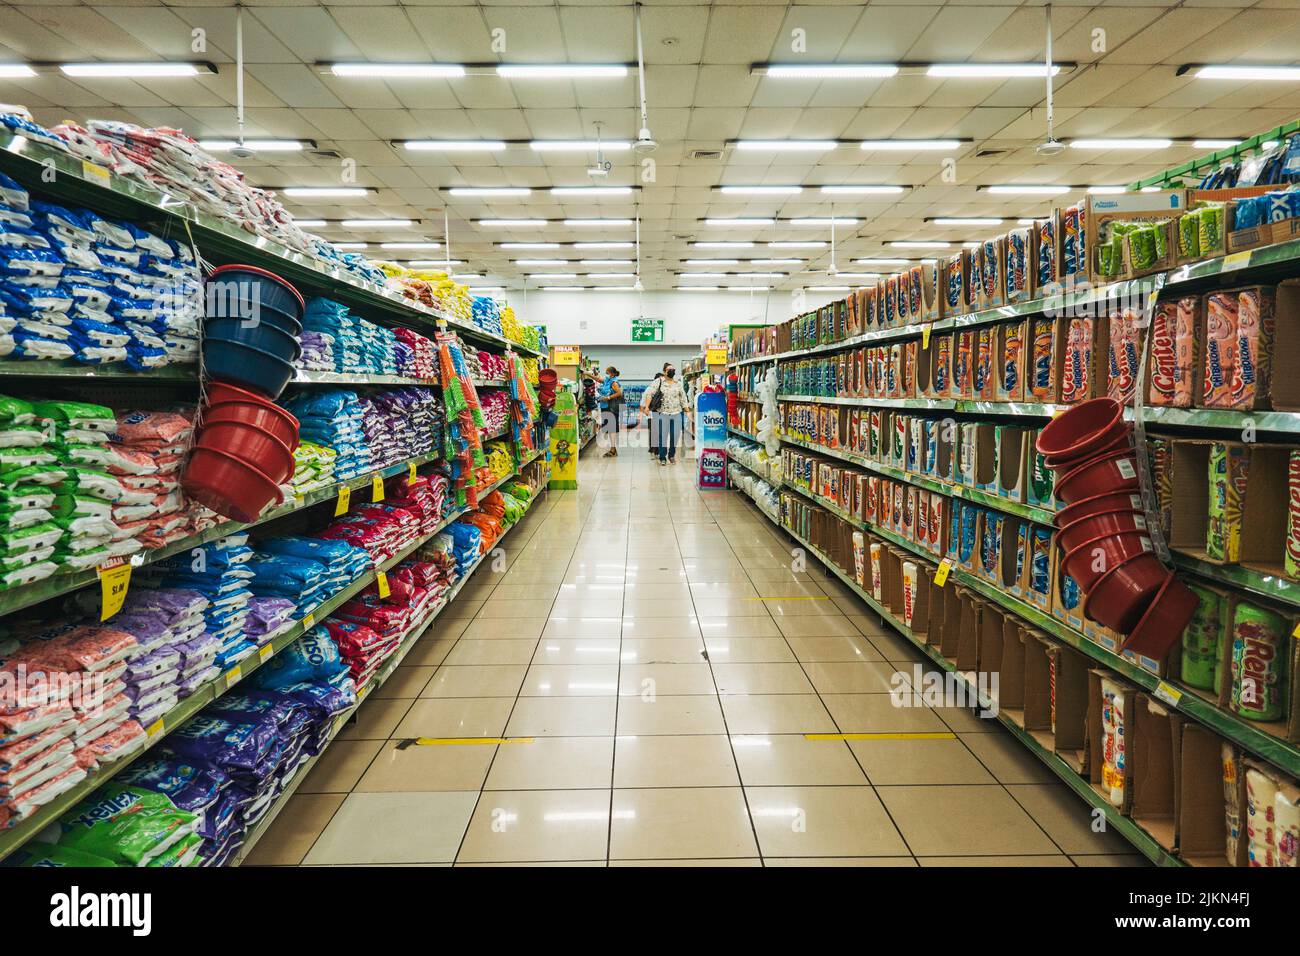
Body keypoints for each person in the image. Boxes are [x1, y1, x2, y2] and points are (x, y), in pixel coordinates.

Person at [652, 366, 688, 465]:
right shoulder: (659, 382)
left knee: (675, 435)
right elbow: (650, 393)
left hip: (677, 413)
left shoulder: (678, 384)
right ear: (664, 371)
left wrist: (688, 411)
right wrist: (646, 406)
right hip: (663, 413)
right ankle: (662, 457)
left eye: (673, 370)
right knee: (662, 436)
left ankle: (671, 455)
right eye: (669, 370)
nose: (672, 371)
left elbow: (683, 398)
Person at [597, 365, 623, 457]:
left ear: (612, 374)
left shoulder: (614, 382)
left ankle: (612, 449)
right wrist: (587, 374)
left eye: (607, 373)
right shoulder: (607, 380)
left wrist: (608, 397)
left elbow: (619, 393)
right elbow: (598, 379)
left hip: (611, 407)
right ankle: (613, 448)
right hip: (605, 407)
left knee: (611, 428)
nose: (606, 375)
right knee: (609, 428)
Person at [641, 372, 663, 457]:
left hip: (662, 413)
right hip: (651, 414)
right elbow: (643, 401)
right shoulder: (649, 389)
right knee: (654, 432)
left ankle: (657, 450)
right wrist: (645, 410)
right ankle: (653, 450)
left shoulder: (664, 389)